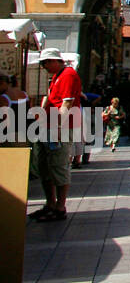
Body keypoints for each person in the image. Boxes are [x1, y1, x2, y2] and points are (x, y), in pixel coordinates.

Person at [32, 48, 79, 222]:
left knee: (58, 165)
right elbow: (52, 99)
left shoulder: (67, 75)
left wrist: (59, 127)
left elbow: (67, 103)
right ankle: (50, 203)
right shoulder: (57, 76)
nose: (44, 67)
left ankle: (60, 206)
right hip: (49, 125)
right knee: (44, 166)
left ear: (54, 60)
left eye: (45, 63)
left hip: (60, 127)